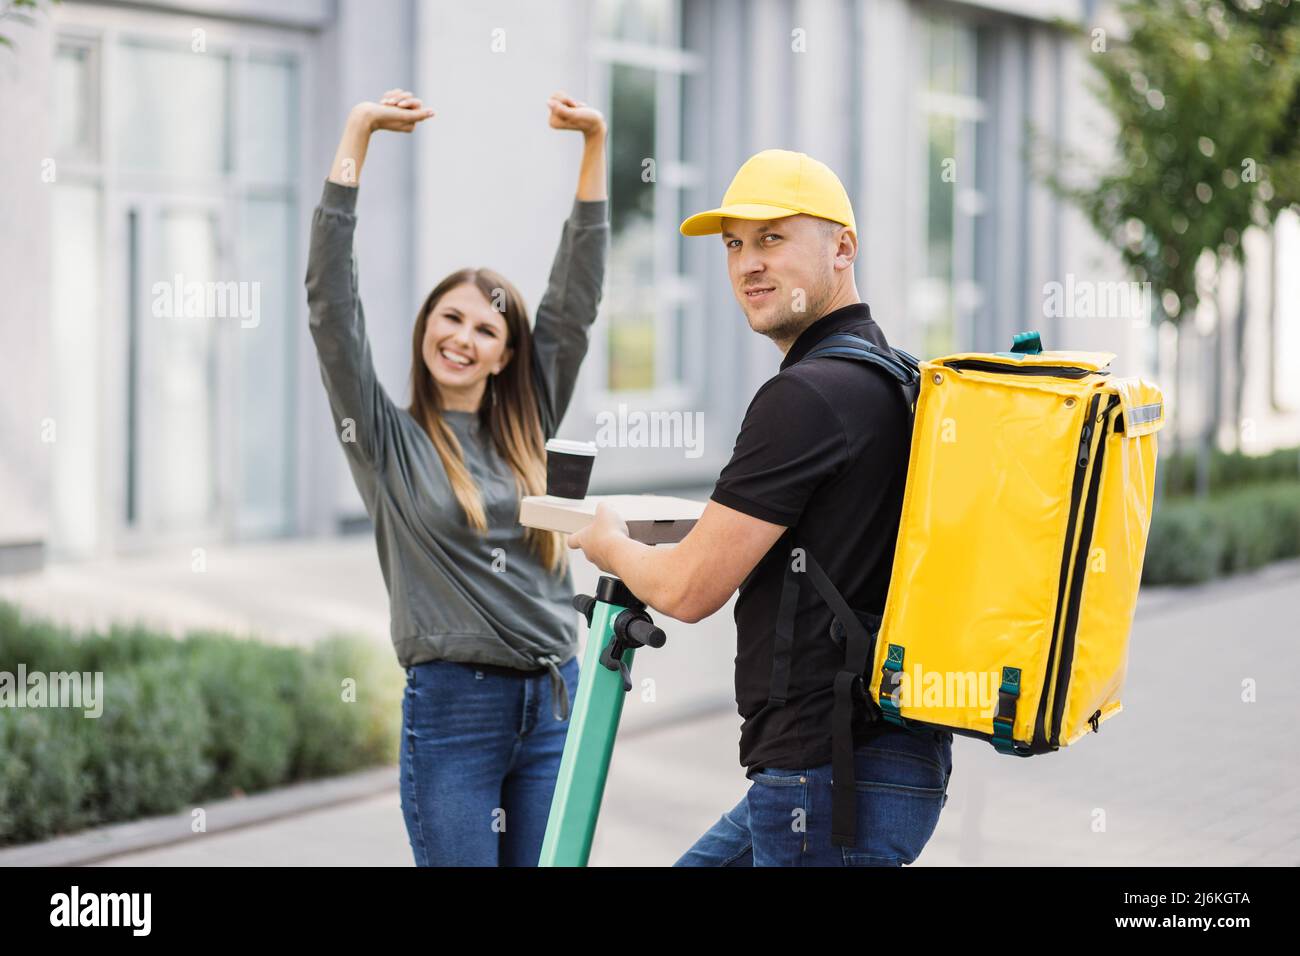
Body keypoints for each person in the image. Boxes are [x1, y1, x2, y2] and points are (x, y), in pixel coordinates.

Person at [567, 149, 953, 866]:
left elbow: (687, 590)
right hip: (873, 762)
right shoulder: (893, 376)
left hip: (830, 779)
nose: (748, 264)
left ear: (843, 248)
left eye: (773, 238)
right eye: (735, 245)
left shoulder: (806, 396)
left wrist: (608, 542)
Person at [305, 88, 609, 866]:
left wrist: (594, 147)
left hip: (553, 702)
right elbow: (331, 309)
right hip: (454, 715)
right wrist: (358, 136)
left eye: (486, 327)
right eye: (451, 318)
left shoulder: (529, 420)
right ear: (426, 328)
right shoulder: (387, 440)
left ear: (508, 352)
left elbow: (572, 303)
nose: (464, 338)